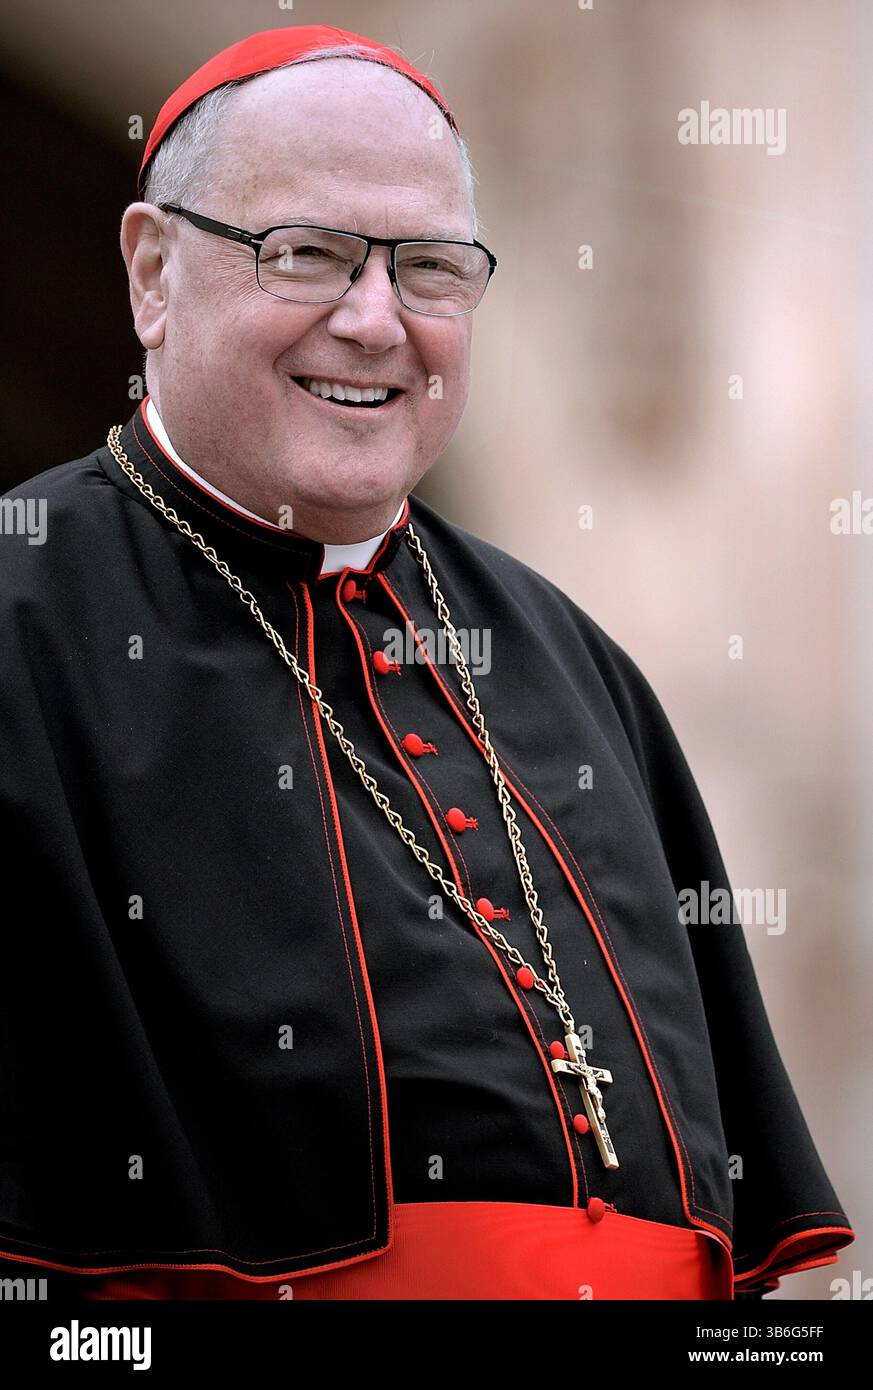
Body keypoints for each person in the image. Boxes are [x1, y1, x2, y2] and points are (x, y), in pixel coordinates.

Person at [0, 24, 854, 1301]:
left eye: (433, 270)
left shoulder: (580, 665)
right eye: (308, 256)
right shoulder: (23, 619)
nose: (375, 321)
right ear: (153, 271)